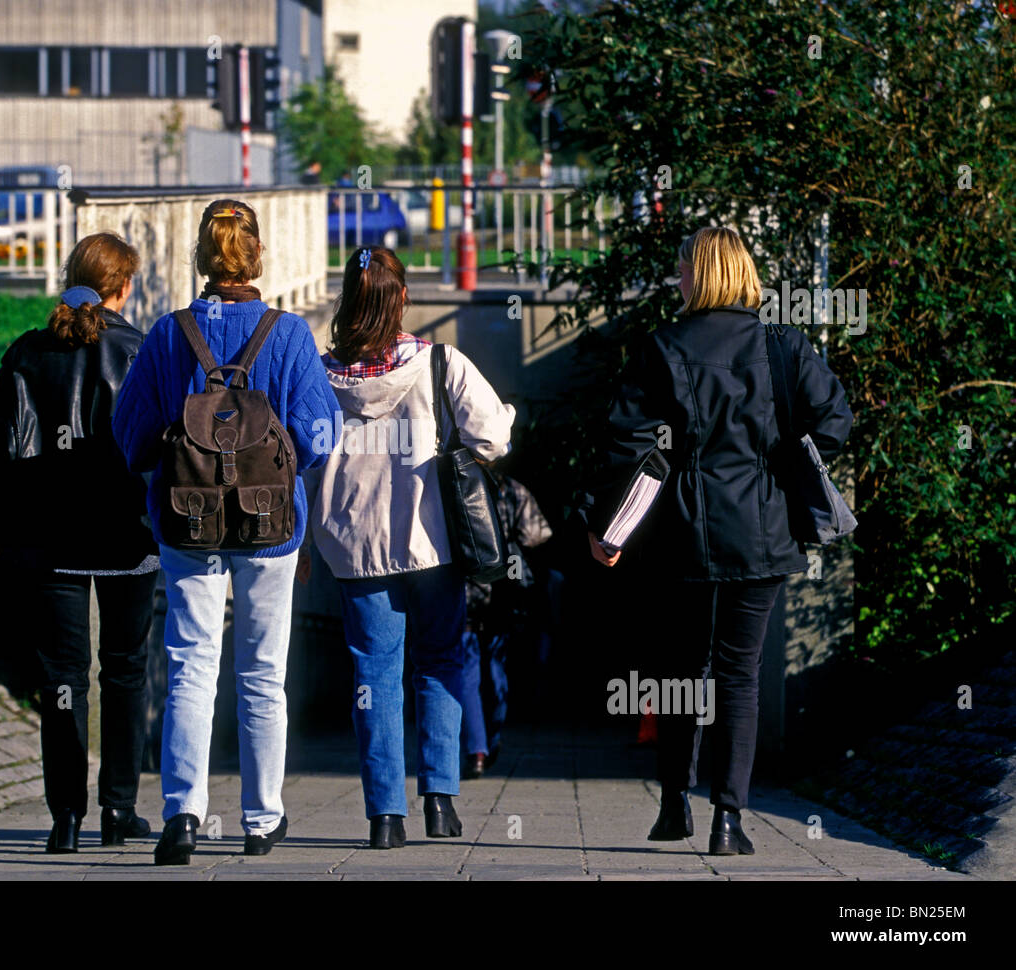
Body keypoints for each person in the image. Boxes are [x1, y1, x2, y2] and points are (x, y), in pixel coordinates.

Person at [580, 226, 852, 855]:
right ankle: (728, 820)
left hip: (680, 539)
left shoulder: (661, 347)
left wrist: (606, 525)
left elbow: (628, 446)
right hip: (761, 535)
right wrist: (781, 465)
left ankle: (673, 802)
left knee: (680, 672)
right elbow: (834, 418)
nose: (676, 280)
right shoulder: (781, 345)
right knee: (739, 677)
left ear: (697, 275)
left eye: (681, 269)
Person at [113, 199, 338, 865]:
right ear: (256, 255)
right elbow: (322, 436)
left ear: (203, 260)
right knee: (264, 672)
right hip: (271, 526)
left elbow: (131, 439)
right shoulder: (290, 334)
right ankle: (261, 820)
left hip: (188, 524)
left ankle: (181, 815)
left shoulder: (167, 334)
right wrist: (278, 460)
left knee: (190, 665)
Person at [306, 245, 515, 849]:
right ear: (401, 298)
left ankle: (384, 818)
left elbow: (307, 462)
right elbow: (492, 439)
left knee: (374, 674)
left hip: (355, 548)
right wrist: (506, 413)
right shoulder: (439, 363)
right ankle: (442, 802)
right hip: (433, 547)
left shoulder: (322, 375)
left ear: (350, 298)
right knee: (441, 662)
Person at [0, 231, 159, 854]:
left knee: (62, 677)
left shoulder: (27, 352)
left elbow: (1, 446)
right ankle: (119, 809)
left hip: (46, 538)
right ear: (123, 287)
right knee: (126, 670)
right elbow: (157, 446)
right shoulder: (139, 349)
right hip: (126, 536)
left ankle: (65, 819)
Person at [459, 468, 552, 779]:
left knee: (468, 673)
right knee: (496, 671)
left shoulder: (457, 482)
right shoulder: (513, 489)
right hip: (503, 590)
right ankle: (491, 738)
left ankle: (478, 750)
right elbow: (536, 534)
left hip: (467, 588)